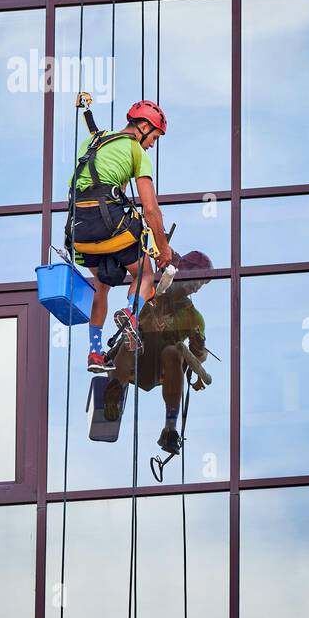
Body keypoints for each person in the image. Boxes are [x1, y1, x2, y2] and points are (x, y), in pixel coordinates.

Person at [65, 100, 173, 374]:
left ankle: (94, 352)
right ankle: (131, 314)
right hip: (109, 224)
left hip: (79, 232)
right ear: (144, 126)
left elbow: (96, 184)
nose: (152, 145)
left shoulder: (92, 143)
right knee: (144, 274)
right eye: (155, 137)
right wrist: (163, 250)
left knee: (101, 285)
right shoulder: (135, 150)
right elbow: (151, 210)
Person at [104, 250, 213, 455]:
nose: (197, 287)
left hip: (163, 368)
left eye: (201, 284)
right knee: (132, 341)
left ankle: (170, 429)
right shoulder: (155, 288)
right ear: (184, 271)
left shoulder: (193, 317)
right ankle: (114, 395)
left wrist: (199, 346)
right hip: (136, 356)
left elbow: (201, 357)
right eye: (197, 280)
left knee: (173, 352)